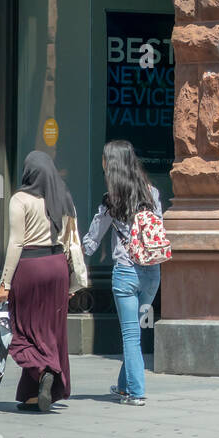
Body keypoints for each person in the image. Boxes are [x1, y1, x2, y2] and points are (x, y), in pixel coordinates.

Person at [82, 140, 165, 406]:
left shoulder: (112, 201)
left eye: (105, 159)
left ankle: (136, 393)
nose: (102, 164)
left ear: (113, 164)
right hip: (152, 274)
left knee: (131, 335)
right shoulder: (152, 194)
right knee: (135, 332)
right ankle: (122, 386)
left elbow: (92, 241)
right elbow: (158, 229)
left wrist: (74, 252)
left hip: (126, 274)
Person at [0, 151, 78, 413]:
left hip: (30, 267)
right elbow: (71, 241)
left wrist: (4, 283)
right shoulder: (62, 196)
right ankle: (33, 395)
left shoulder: (20, 199)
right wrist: (73, 282)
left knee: (19, 329)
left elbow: (16, 242)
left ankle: (44, 370)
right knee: (49, 331)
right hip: (57, 268)